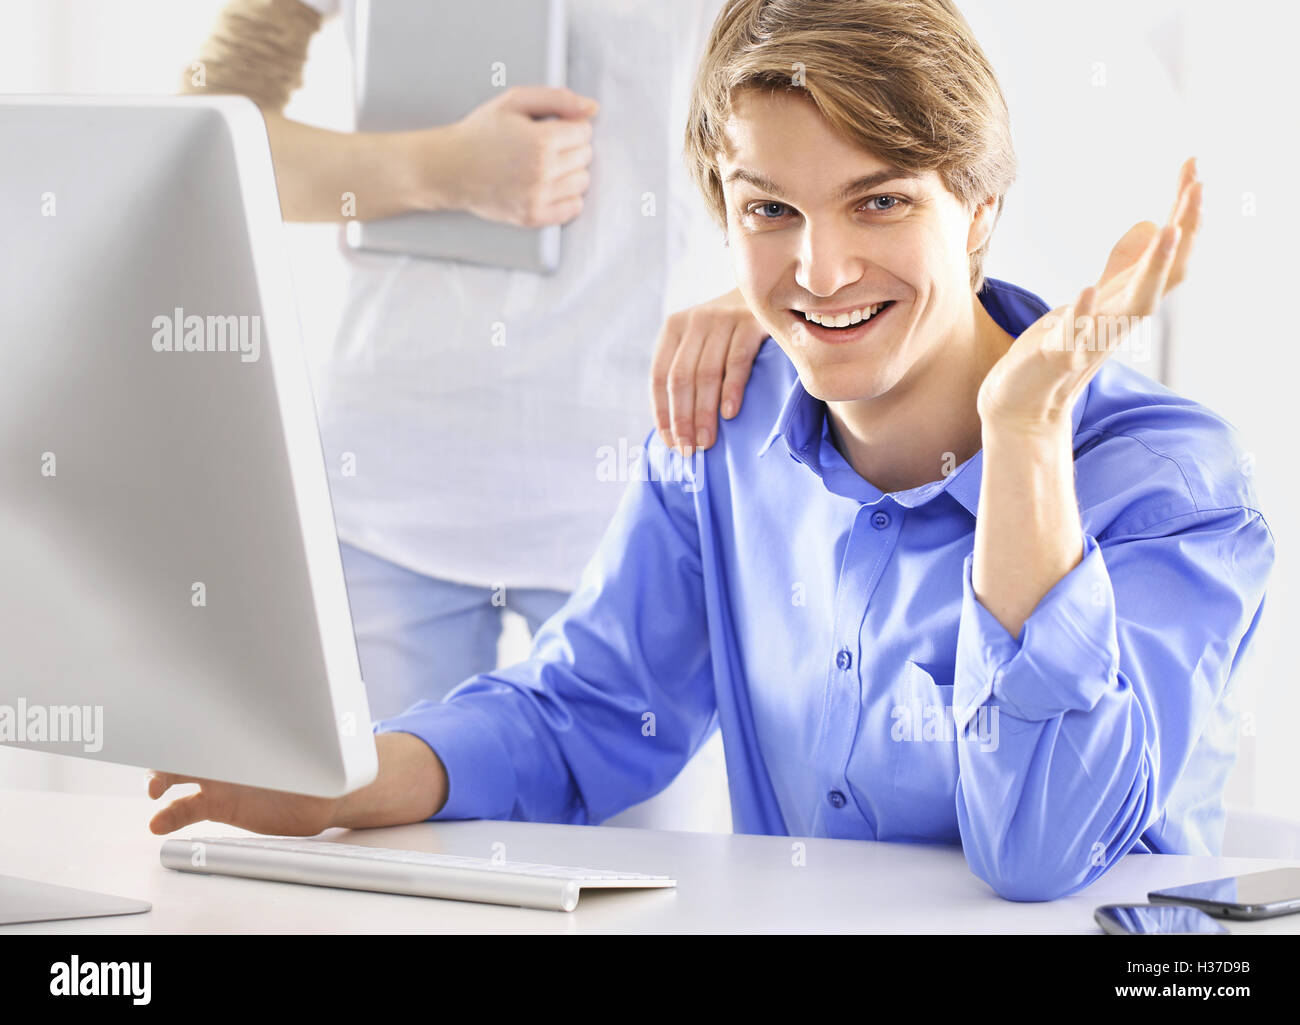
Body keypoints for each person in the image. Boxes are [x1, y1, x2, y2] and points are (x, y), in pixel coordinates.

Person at [153, 0, 1275, 902]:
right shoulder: (725, 439)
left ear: (978, 208)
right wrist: (348, 782)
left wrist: (1023, 436)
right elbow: (584, 709)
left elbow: (1039, 850)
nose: (823, 268)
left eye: (879, 202)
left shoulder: (1166, 484)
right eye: (771, 210)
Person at [178, 0, 763, 828]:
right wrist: (442, 169)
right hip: (388, 490)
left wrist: (762, 296)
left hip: (645, 493)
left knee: (642, 894)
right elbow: (207, 136)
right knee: (372, 875)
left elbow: (884, 118)